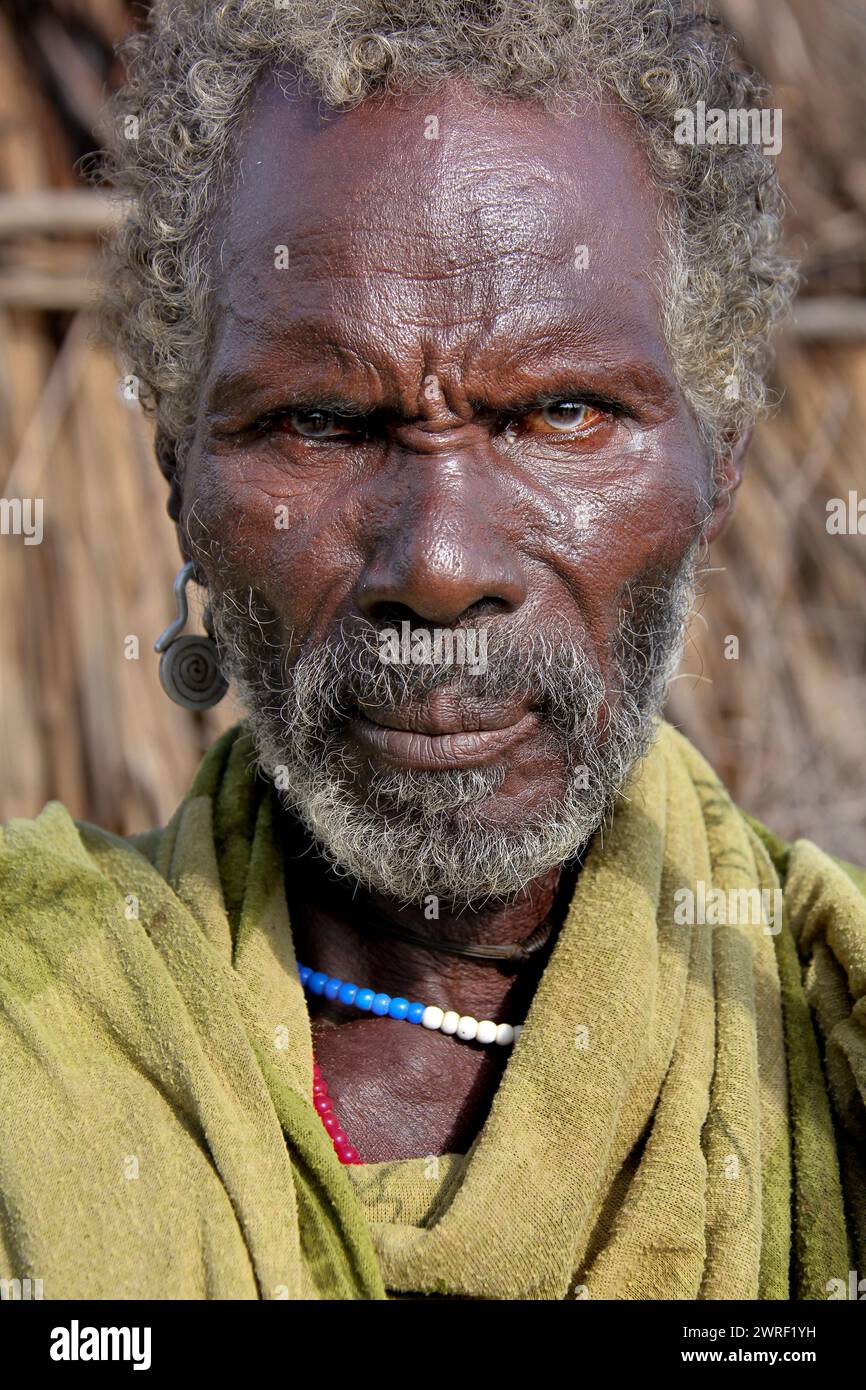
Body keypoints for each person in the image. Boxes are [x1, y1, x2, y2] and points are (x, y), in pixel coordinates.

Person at [0, 0, 863, 1301]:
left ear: (719, 453)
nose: (441, 565)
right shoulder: (38, 1014)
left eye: (560, 411)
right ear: (178, 474)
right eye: (320, 420)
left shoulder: (827, 1034)